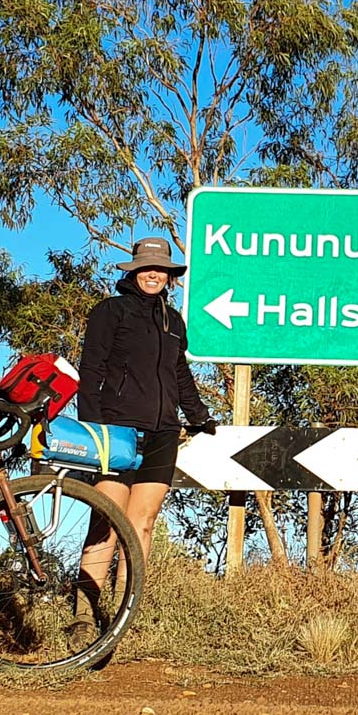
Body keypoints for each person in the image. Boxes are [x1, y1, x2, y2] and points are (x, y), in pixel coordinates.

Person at [76, 237, 216, 583]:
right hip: (117, 430)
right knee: (107, 520)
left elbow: (179, 373)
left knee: (143, 523)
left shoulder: (173, 321)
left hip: (163, 433)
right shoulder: (111, 311)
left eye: (161, 269)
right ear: (135, 270)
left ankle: (128, 608)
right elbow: (91, 369)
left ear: (169, 276)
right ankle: (85, 611)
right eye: (147, 268)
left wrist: (198, 415)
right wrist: (93, 426)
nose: (153, 275)